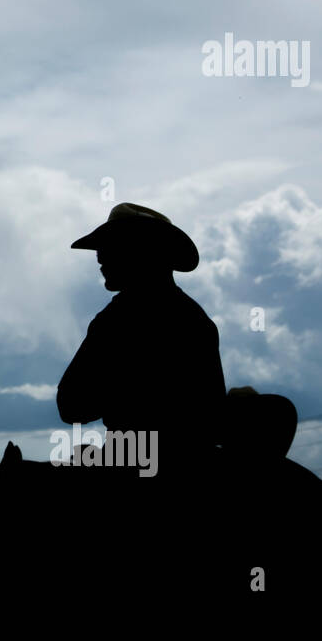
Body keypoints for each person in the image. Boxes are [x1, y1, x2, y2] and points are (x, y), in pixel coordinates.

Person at [56, 203, 223, 478]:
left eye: (111, 250)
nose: (100, 260)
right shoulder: (196, 320)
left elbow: (72, 404)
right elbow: (212, 420)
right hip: (192, 470)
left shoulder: (115, 320)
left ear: (140, 252)